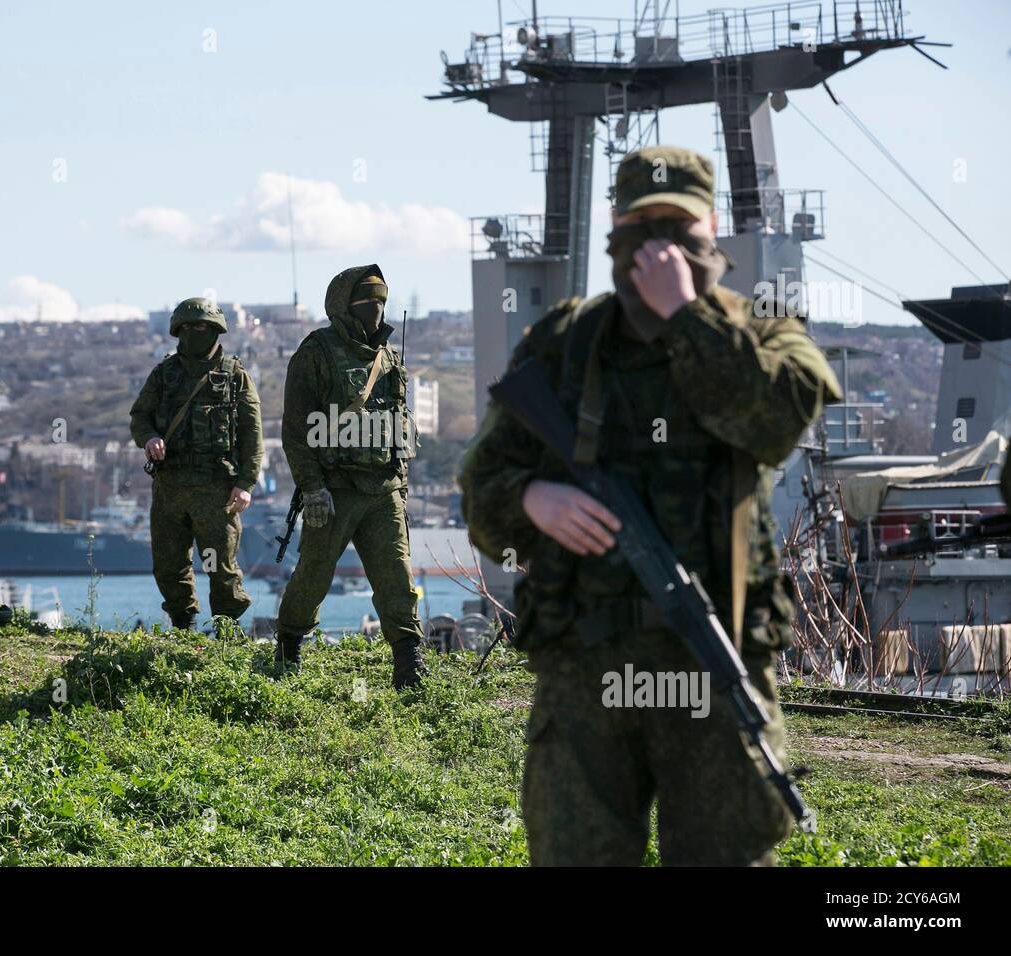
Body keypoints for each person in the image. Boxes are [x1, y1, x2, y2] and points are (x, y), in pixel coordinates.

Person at [460, 147, 842, 865]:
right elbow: (482, 485)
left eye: (680, 227)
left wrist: (684, 318)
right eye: (644, 227)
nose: (661, 247)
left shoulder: (765, 332)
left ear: (714, 227)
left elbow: (772, 423)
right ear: (613, 229)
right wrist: (531, 499)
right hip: (583, 669)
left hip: (713, 657)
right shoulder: (566, 343)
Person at [276, 265, 428, 688]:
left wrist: (400, 480)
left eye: (380, 302)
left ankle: (409, 662)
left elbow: (398, 421)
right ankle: (289, 646)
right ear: (344, 306)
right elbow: (296, 430)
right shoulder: (316, 353)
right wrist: (311, 487)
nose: (375, 311)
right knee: (314, 574)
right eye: (366, 303)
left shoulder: (389, 358)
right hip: (335, 489)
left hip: (384, 490)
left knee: (397, 577)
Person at [129, 297, 263, 630]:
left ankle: (227, 632)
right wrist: (148, 438)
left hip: (217, 490)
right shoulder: (164, 374)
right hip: (170, 486)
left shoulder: (235, 376)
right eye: (188, 328)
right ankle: (183, 625)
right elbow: (140, 416)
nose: (195, 333)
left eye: (202, 327)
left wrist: (245, 483)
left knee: (221, 564)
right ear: (177, 331)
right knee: (168, 562)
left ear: (216, 330)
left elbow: (252, 433)